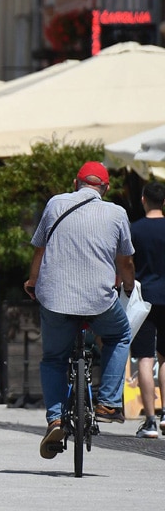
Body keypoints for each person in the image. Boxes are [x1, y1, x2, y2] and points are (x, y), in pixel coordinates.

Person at [25, 161, 134, 459]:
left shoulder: (55, 203)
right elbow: (125, 262)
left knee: (53, 359)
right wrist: (127, 287)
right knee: (119, 336)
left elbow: (40, 249)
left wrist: (33, 282)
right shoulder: (117, 213)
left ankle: (56, 418)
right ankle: (109, 402)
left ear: (76, 183)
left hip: (55, 298)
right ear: (106, 188)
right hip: (99, 299)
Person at [128, 181, 165, 439]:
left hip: (143, 298)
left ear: (143, 200)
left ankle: (150, 421)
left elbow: (127, 262)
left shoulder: (134, 229)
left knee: (144, 358)